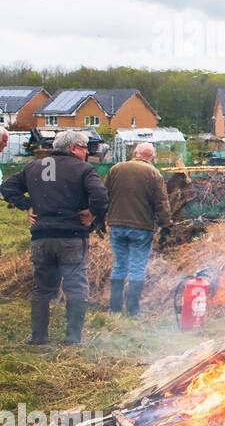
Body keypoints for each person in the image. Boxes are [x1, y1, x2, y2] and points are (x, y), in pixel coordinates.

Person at [0, 130, 108, 345]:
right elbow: (101, 197)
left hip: (42, 237)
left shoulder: (33, 166)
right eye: (85, 148)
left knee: (41, 288)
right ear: (73, 148)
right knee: (75, 286)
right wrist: (92, 214)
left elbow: (6, 187)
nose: (87, 153)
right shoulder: (84, 170)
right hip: (72, 236)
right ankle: (73, 337)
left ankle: (38, 337)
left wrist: (27, 205)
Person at [105, 142, 172, 314]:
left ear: (135, 153)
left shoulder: (116, 169)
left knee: (119, 265)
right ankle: (132, 310)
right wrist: (165, 225)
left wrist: (101, 219)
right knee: (136, 267)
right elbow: (161, 203)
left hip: (116, 224)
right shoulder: (153, 173)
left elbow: (104, 194)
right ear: (152, 157)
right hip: (141, 227)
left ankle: (114, 308)